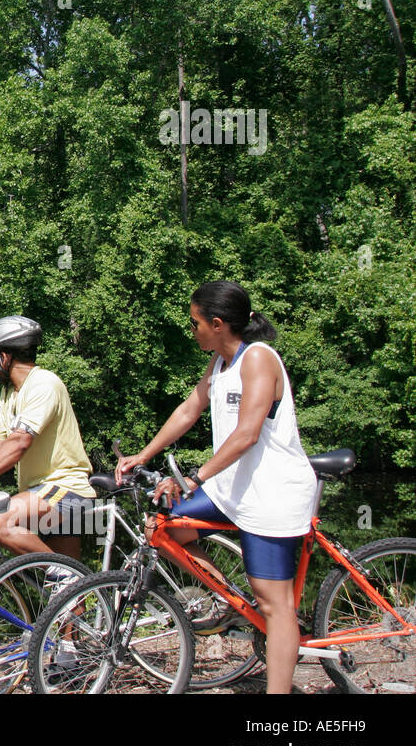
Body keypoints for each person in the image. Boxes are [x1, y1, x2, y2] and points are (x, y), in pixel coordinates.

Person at [115, 280, 316, 695]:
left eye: (195, 323)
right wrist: (143, 455)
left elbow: (246, 434)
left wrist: (194, 477)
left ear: (219, 324)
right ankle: (228, 603)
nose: (193, 331)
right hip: (232, 490)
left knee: (276, 604)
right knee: (167, 528)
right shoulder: (221, 363)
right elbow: (191, 408)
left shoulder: (258, 359)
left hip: (270, 493)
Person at [0, 316, 96, 560]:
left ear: (4, 357)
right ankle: (71, 585)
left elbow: (19, 441)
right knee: (70, 592)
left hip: (66, 490)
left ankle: (63, 577)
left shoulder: (43, 384)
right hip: (43, 492)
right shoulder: (11, 393)